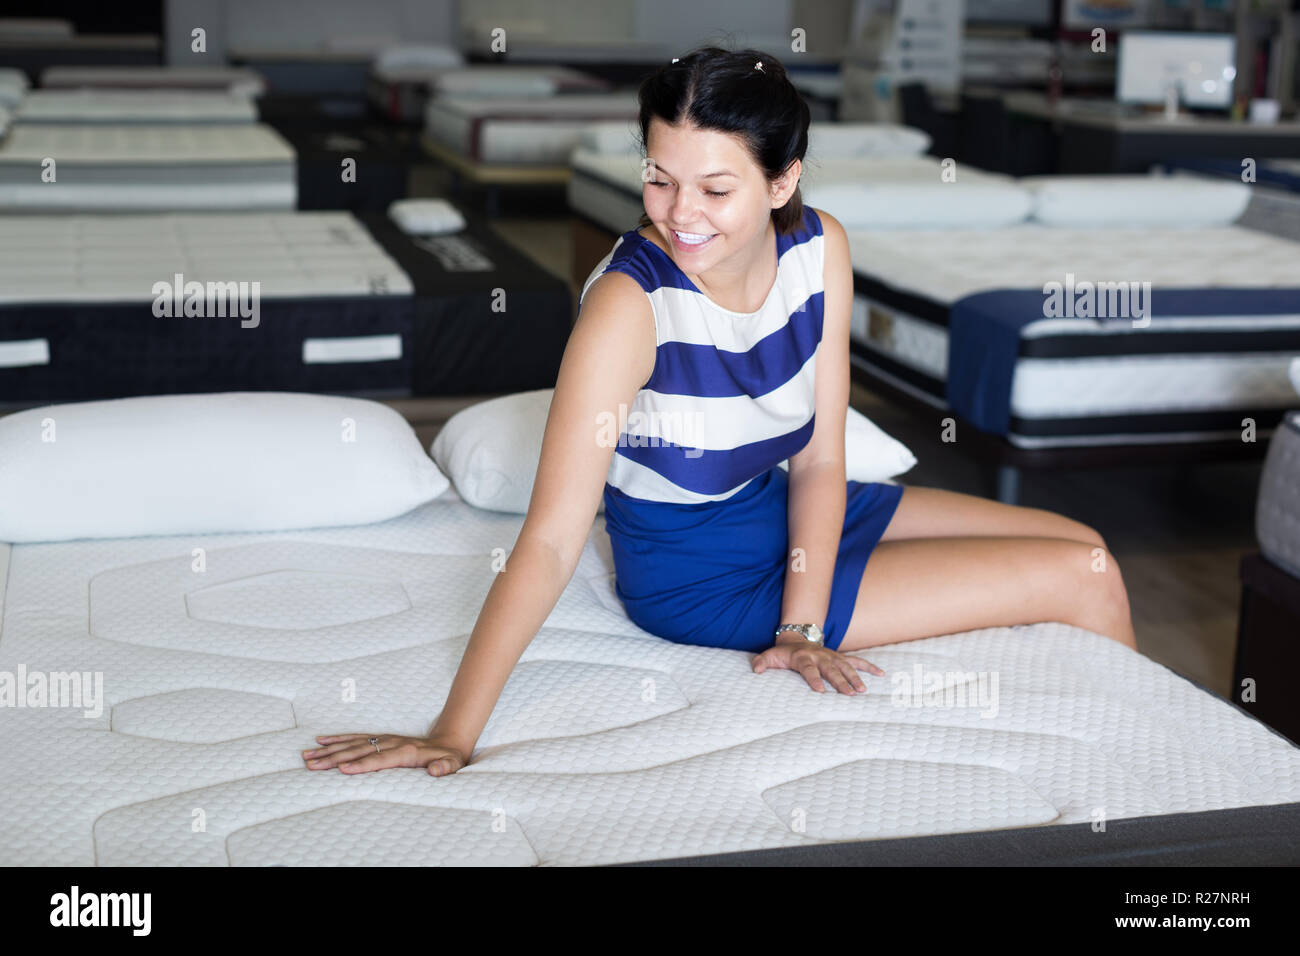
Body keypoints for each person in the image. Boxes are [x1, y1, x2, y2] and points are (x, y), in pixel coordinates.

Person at [302, 47, 1137, 779]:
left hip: (783, 507)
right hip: (696, 574)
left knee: (1087, 544)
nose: (679, 213)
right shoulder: (629, 308)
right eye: (659, 178)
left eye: (715, 187)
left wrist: (803, 624)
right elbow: (554, 539)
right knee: (1086, 579)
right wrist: (454, 733)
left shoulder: (820, 249)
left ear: (784, 180)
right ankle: (1154, 790)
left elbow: (817, 454)